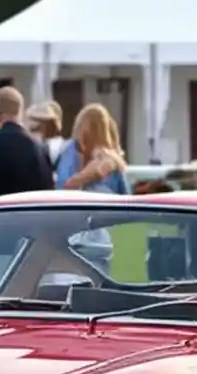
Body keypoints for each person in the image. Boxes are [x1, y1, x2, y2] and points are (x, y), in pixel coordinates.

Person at [55, 103, 131, 275]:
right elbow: (126, 199)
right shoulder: (114, 162)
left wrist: (86, 175)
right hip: (105, 241)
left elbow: (62, 188)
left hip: (74, 238)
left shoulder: (70, 153)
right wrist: (95, 171)